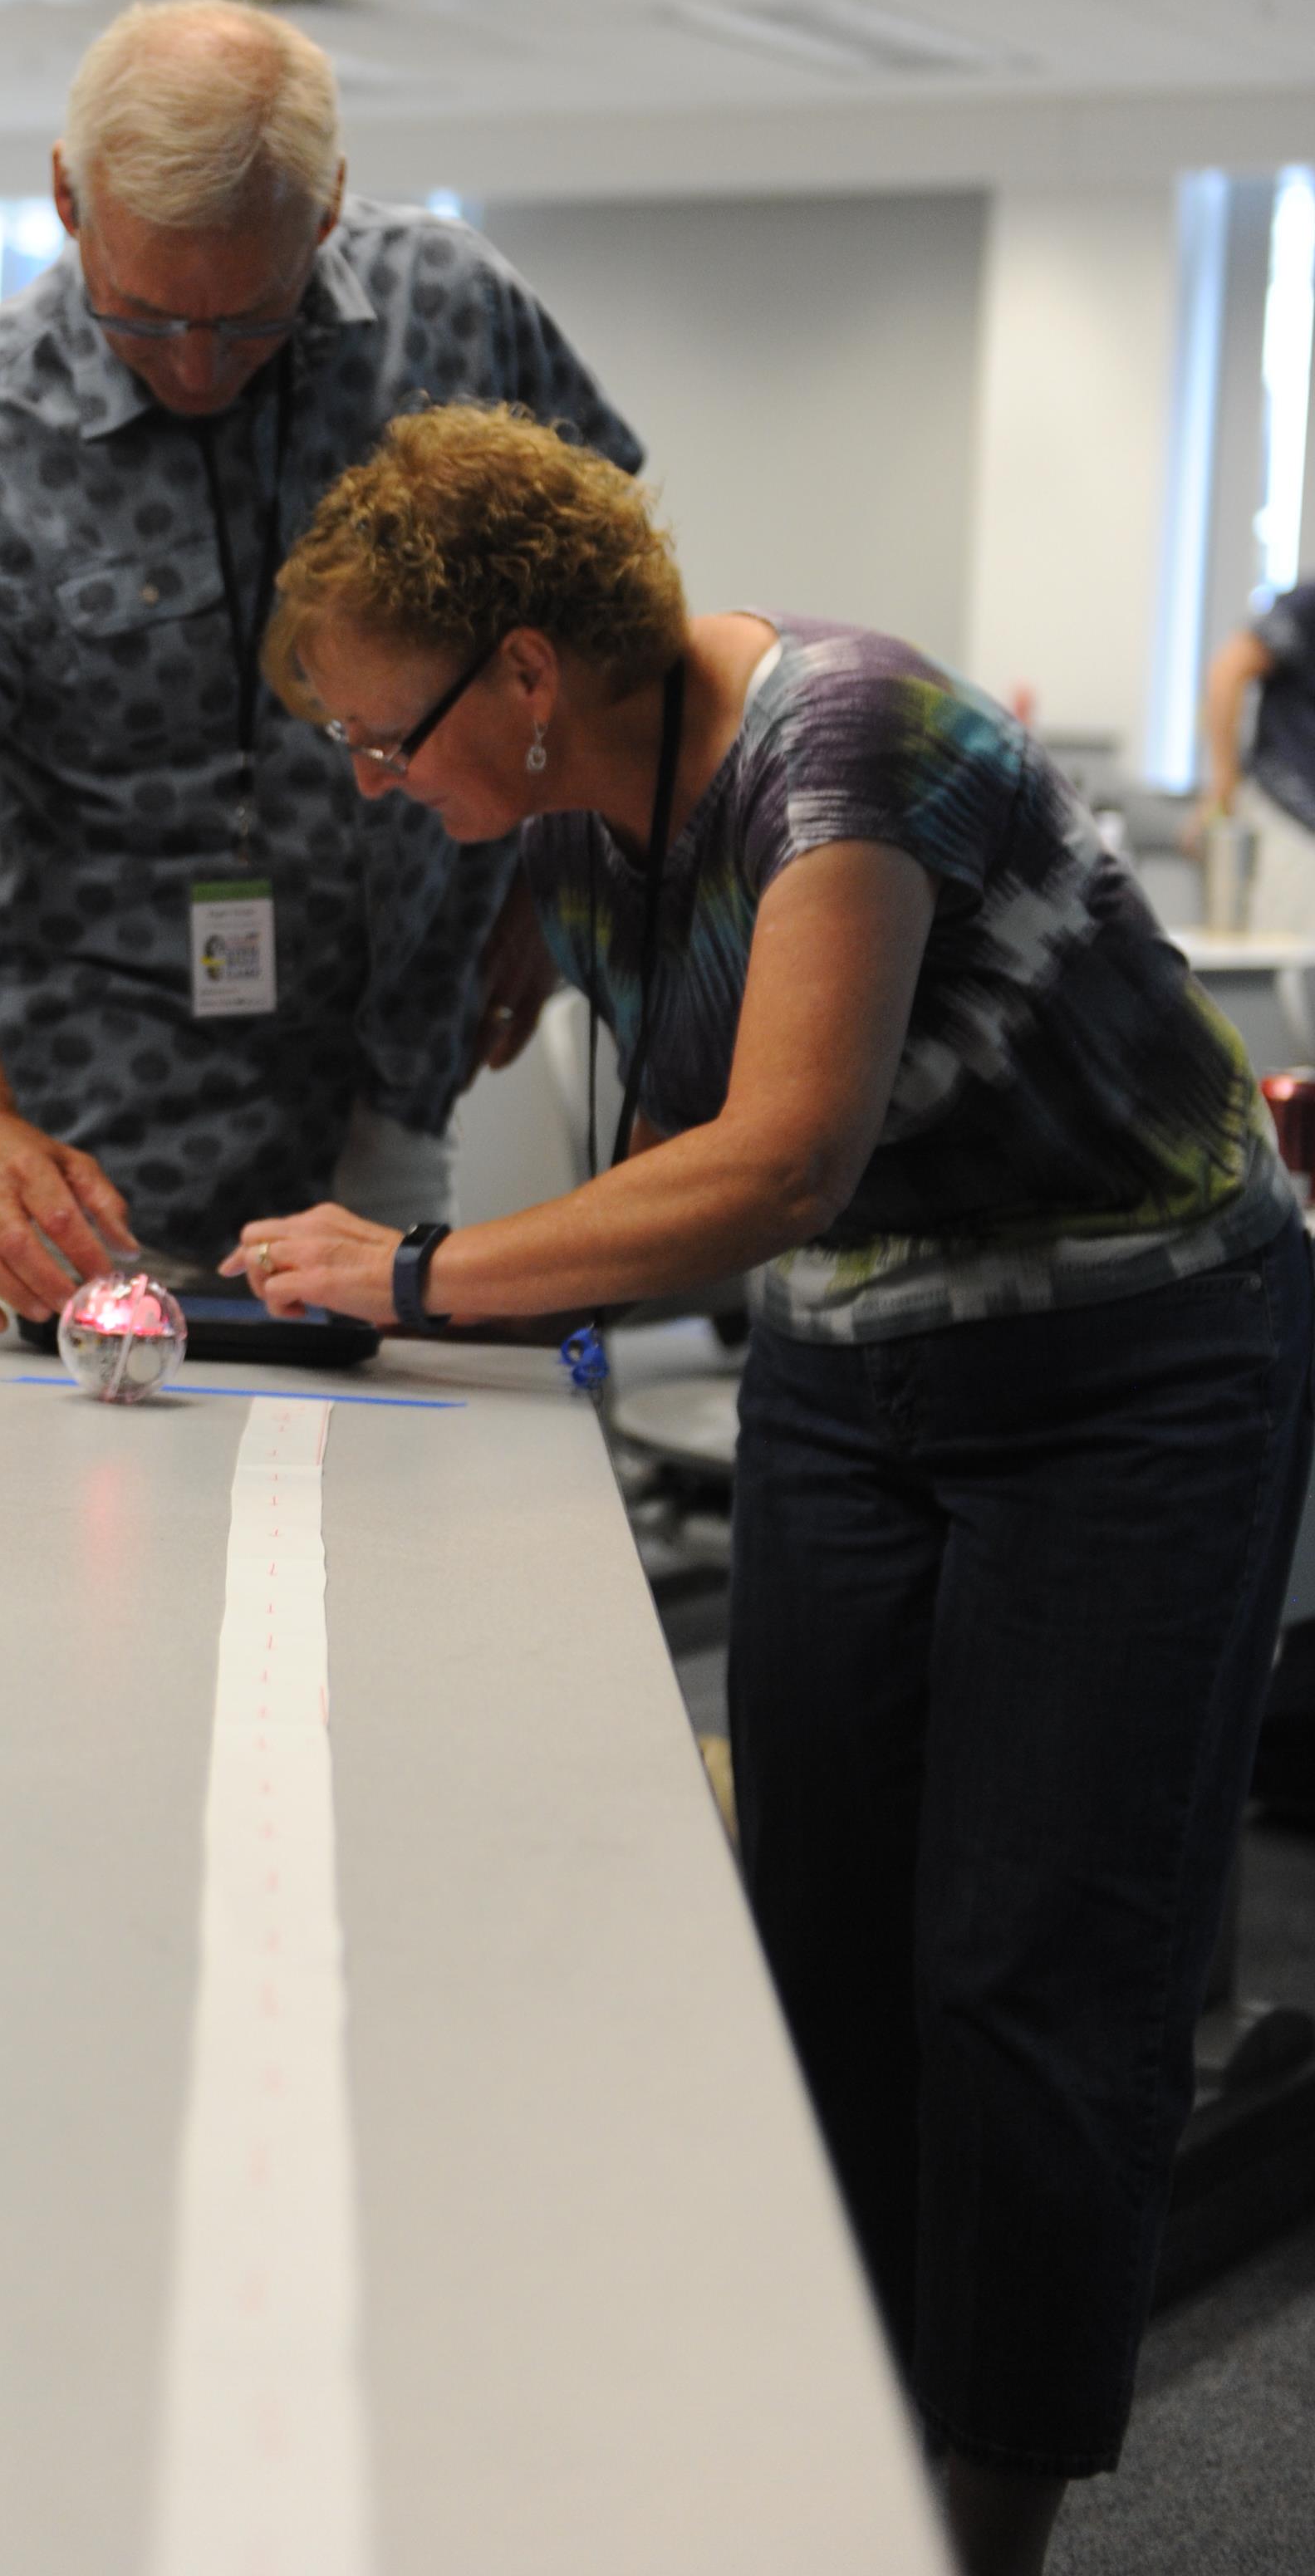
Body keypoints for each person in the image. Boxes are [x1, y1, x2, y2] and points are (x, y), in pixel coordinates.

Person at [233, 404, 1312, 2576]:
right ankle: (820, 2467)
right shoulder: (560, 799)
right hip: (862, 1361)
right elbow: (525, 1029)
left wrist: (418, 1273)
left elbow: (778, 1157)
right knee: (814, 1946)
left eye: (389, 739)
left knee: (1027, 1980)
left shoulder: (848, 752)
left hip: (1130, 1367)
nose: (376, 784)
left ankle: (978, 2534)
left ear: (526, 676)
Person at [0, 0, 641, 1329]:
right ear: (66, 201)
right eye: (144, 319)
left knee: (357, 1501)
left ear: (325, 211)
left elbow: (605, 620)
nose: (196, 364)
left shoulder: (454, 316)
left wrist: (564, 872)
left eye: (247, 319)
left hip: (391, 1062)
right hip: (93, 1116)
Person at [1200, 584, 1315, 929]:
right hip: (1293, 825)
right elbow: (1227, 673)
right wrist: (1224, 784)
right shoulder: (1306, 607)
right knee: (1289, 968)